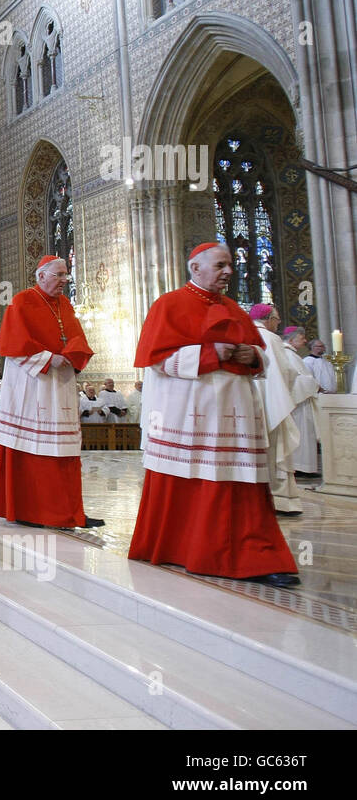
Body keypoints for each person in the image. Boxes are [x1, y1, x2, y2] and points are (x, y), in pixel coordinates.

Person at [128, 242, 299, 586]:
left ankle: (257, 555)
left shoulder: (234, 308)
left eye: (230, 265)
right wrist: (209, 352)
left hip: (235, 414)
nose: (228, 272)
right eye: (221, 265)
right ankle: (190, 550)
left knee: (244, 486)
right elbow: (157, 358)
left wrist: (253, 355)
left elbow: (262, 355)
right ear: (195, 268)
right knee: (196, 481)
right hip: (191, 412)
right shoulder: (169, 304)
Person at [0, 255, 104, 529]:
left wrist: (76, 355)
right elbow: (13, 344)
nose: (65, 280)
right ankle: (33, 511)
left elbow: (74, 338)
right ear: (41, 276)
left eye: (66, 275)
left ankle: (70, 512)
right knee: (35, 448)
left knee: (65, 450)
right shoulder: (22, 301)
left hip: (60, 384)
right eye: (59, 275)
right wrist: (47, 358)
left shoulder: (64, 304)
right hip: (33, 386)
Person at [248, 305, 316, 515]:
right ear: (268, 319)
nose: (278, 324)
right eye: (276, 319)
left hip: (248, 404)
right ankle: (281, 500)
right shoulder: (271, 339)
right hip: (272, 403)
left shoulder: (242, 335)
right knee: (276, 449)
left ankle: (255, 500)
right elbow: (285, 372)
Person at [283, 328, 321, 479]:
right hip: (298, 403)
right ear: (291, 340)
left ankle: (302, 466)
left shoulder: (291, 355)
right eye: (301, 337)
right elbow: (295, 381)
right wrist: (313, 382)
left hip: (301, 401)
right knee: (300, 435)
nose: (305, 340)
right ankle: (300, 467)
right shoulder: (288, 355)